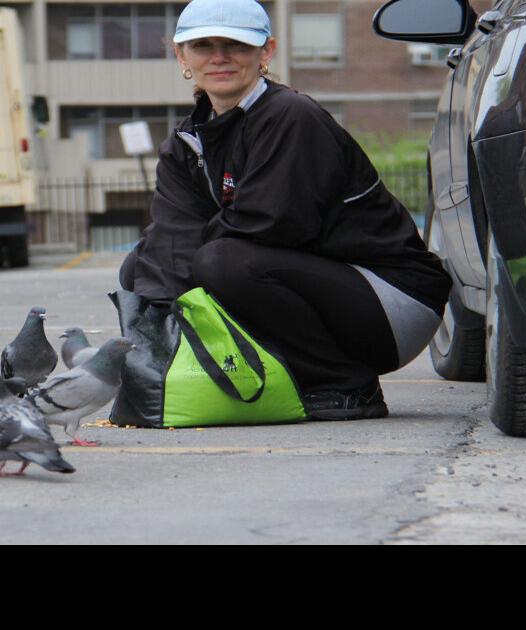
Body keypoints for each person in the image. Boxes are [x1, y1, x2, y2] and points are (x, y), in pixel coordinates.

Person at [119, 0, 452, 420]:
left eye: (236, 45)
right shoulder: (186, 143)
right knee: (140, 266)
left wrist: (193, 251)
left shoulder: (291, 116)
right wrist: (157, 351)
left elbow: (272, 224)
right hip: (321, 287)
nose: (219, 57)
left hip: (390, 302)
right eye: (203, 45)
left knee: (222, 262)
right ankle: (269, 372)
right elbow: (172, 238)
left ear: (266, 52)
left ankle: (346, 382)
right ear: (181, 55)